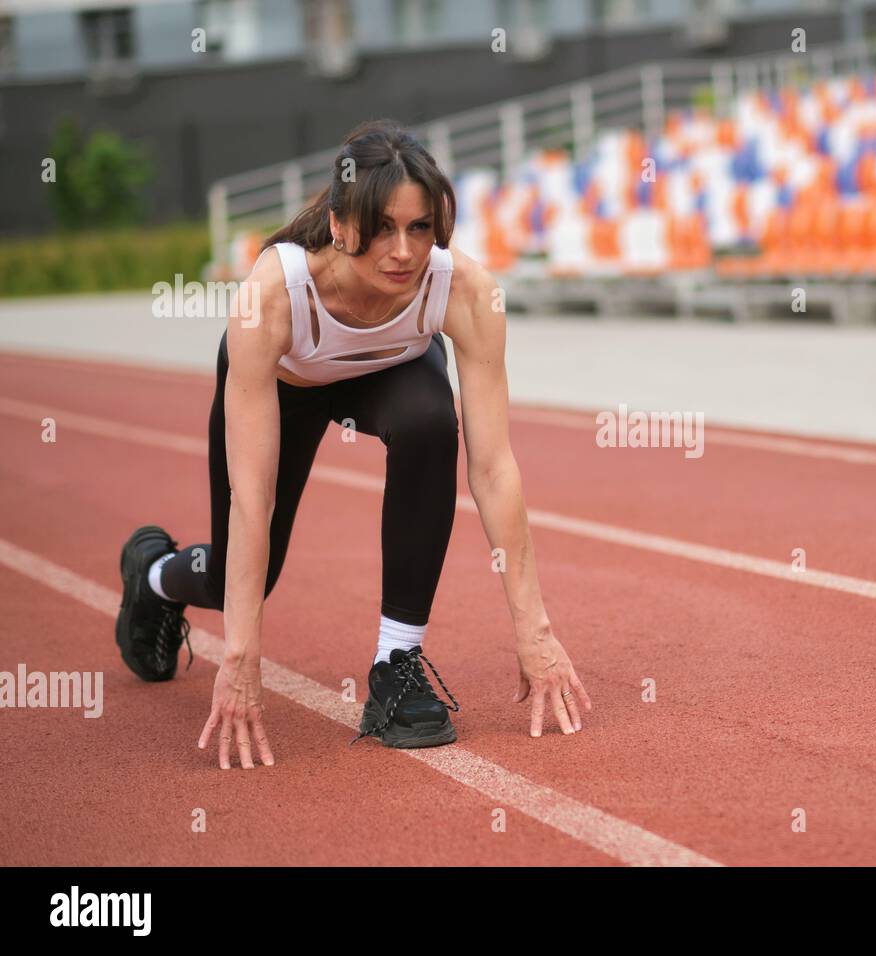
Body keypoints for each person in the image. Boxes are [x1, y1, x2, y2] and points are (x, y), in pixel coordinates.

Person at [114, 119, 591, 770]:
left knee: (430, 421)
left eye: (420, 228)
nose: (403, 251)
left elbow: (493, 467)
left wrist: (534, 633)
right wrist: (240, 655)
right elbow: (250, 494)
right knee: (242, 580)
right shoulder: (273, 295)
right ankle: (156, 576)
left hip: (389, 373)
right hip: (290, 381)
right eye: (383, 229)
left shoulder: (466, 292)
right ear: (340, 225)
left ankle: (396, 665)